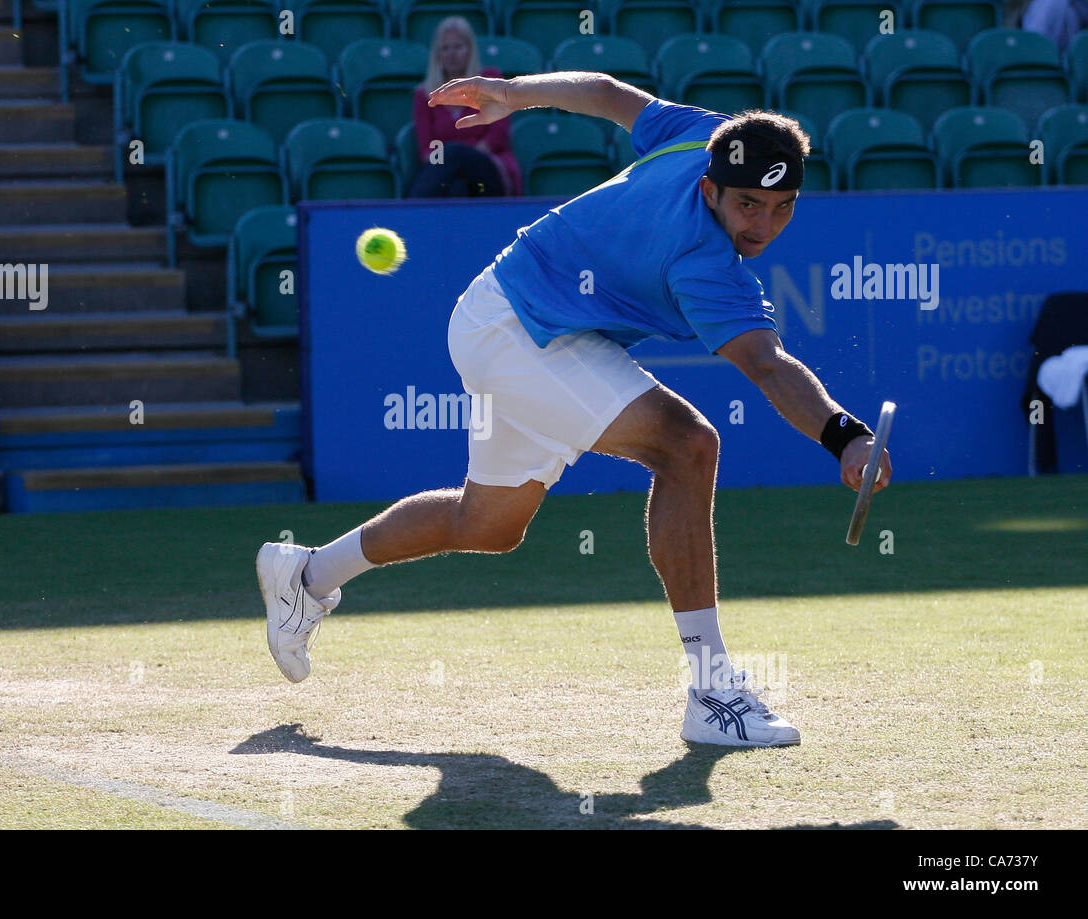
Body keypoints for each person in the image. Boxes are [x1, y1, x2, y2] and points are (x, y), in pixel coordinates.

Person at [257, 72, 893, 748]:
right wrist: (843, 436)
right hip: (516, 328)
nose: (762, 224)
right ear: (711, 188)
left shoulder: (702, 138)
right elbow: (767, 365)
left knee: (487, 524)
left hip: (511, 314)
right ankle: (712, 689)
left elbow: (605, 94)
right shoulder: (704, 257)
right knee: (687, 445)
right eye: (747, 205)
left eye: (781, 206)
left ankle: (305, 573)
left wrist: (514, 93)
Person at [409, 16, 522, 198]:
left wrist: (464, 157)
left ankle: (411, 211)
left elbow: (498, 135)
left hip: (489, 168)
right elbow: (426, 149)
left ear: (470, 50)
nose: (451, 54)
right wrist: (453, 163)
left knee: (455, 153)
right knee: (456, 186)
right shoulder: (424, 95)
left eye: (458, 47)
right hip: (447, 175)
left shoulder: (490, 80)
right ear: (437, 54)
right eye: (445, 48)